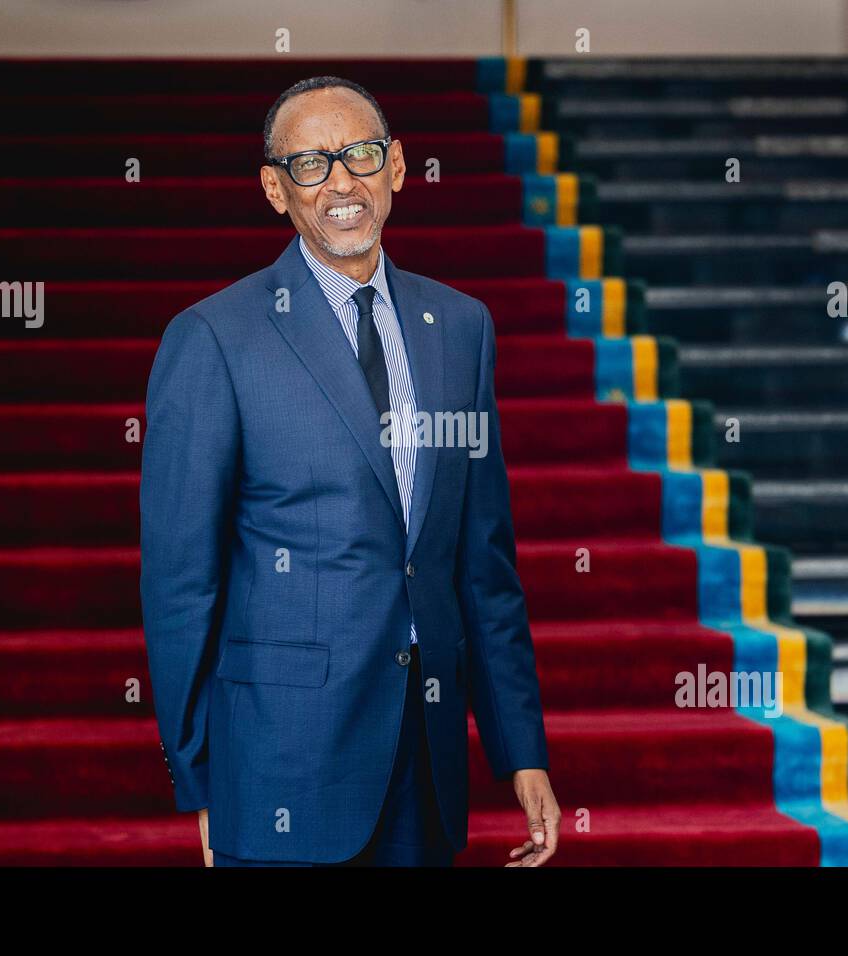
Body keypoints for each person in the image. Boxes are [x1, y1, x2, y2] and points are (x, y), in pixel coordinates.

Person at [139, 75, 558, 866]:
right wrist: (200, 779)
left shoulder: (462, 329)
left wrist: (520, 748)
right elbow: (179, 583)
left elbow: (482, 565)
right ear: (274, 189)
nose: (341, 183)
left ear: (397, 167)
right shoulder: (215, 338)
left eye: (360, 155)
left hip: (426, 763)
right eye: (310, 164)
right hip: (279, 768)